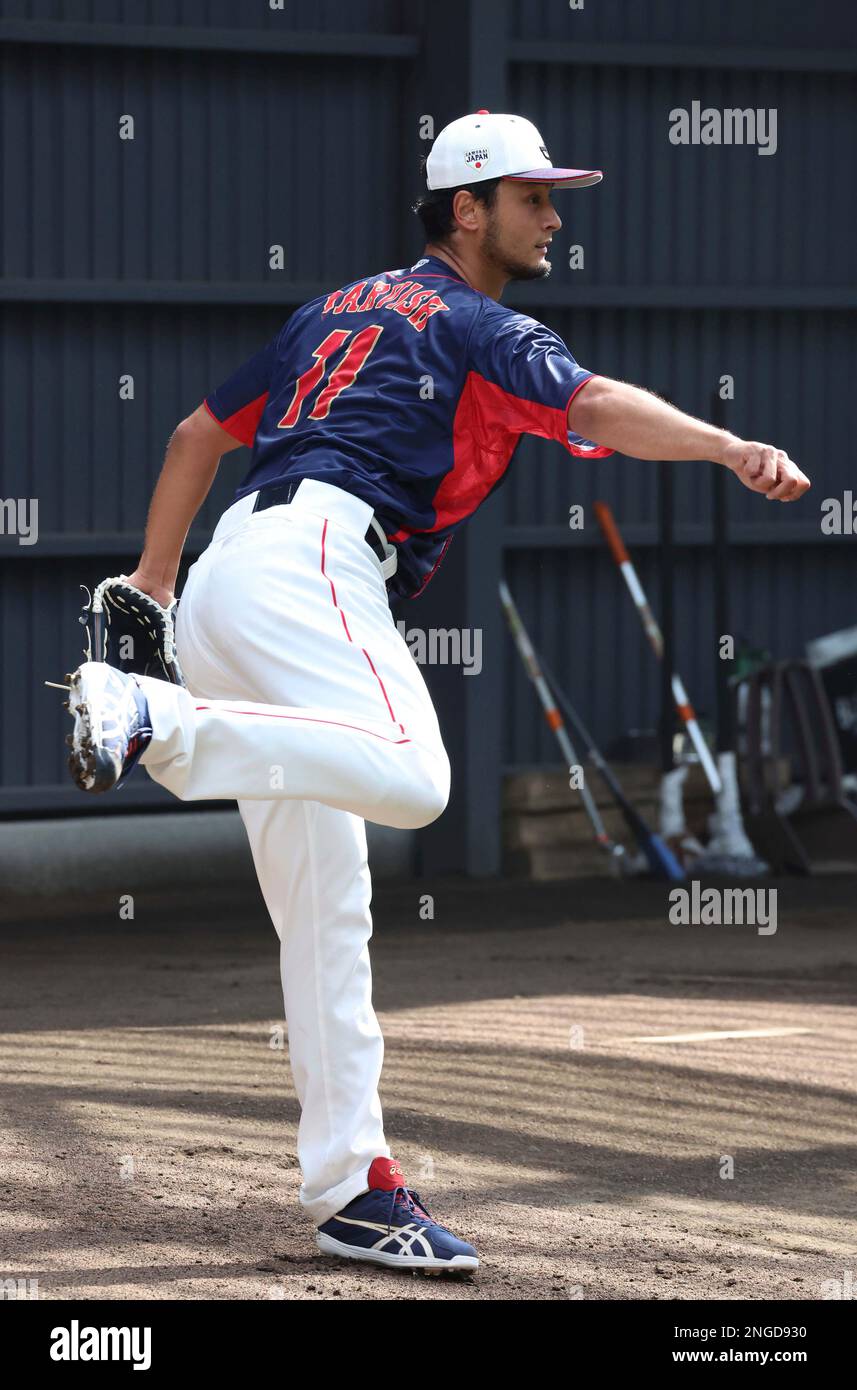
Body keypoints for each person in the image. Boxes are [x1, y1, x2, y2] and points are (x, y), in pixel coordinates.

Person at [59, 111, 810, 1276]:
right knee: (415, 775)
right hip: (314, 561)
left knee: (328, 915)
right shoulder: (474, 321)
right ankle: (155, 720)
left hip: (225, 581)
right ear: (467, 208)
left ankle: (350, 1187)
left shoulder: (332, 308)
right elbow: (594, 405)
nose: (553, 216)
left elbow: (193, 436)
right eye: (531, 197)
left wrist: (154, 592)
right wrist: (726, 444)